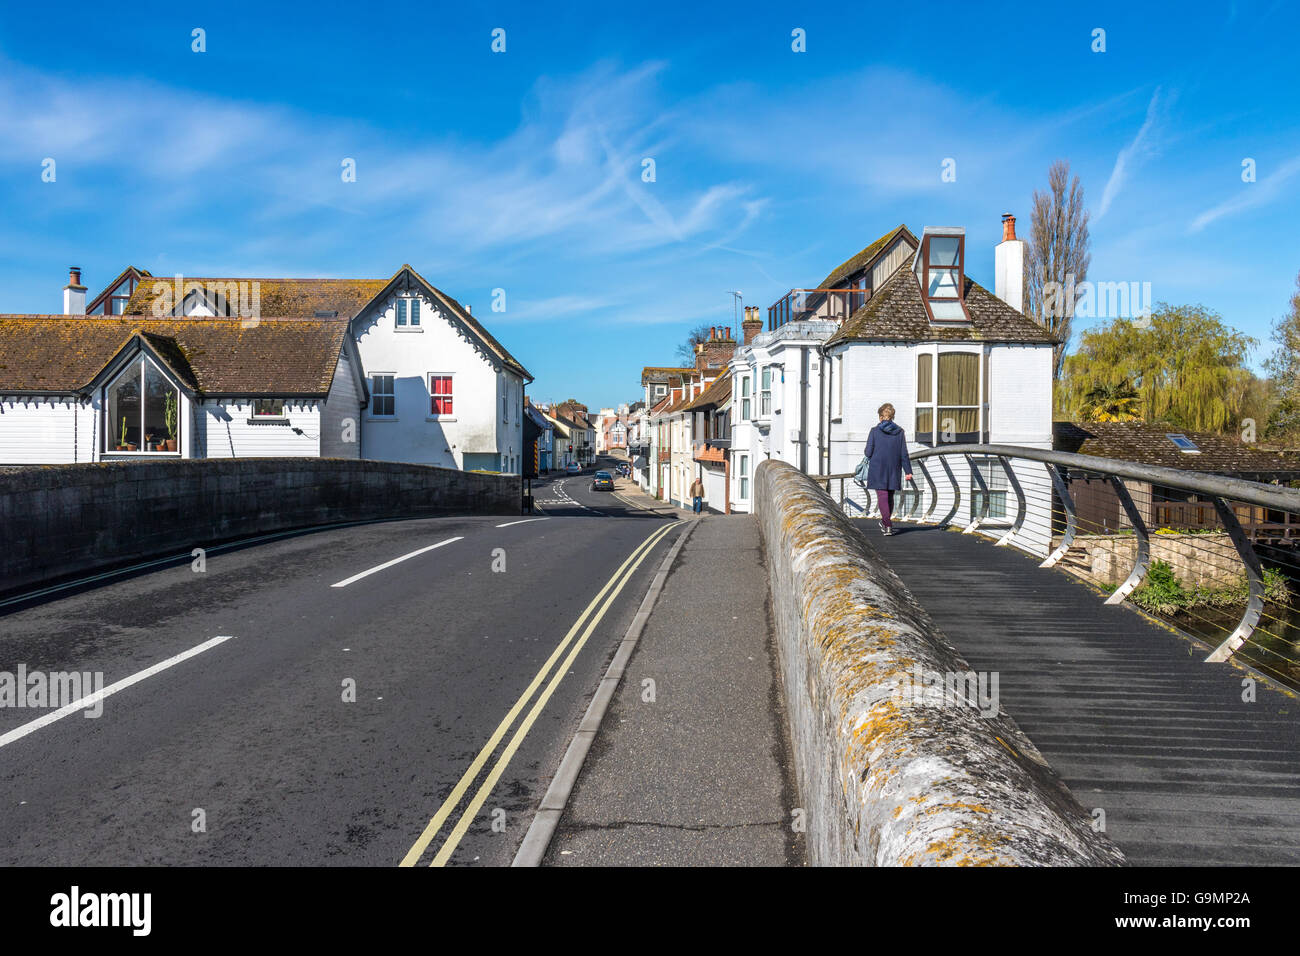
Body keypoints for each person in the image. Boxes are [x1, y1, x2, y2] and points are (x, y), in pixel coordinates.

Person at [863, 402, 913, 536]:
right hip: (893, 468)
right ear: (893, 417)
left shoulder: (874, 431)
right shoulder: (900, 432)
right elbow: (904, 453)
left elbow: (868, 452)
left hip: (878, 468)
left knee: (882, 496)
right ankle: (886, 522)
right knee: (889, 496)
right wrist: (908, 471)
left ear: (880, 417)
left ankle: (888, 524)